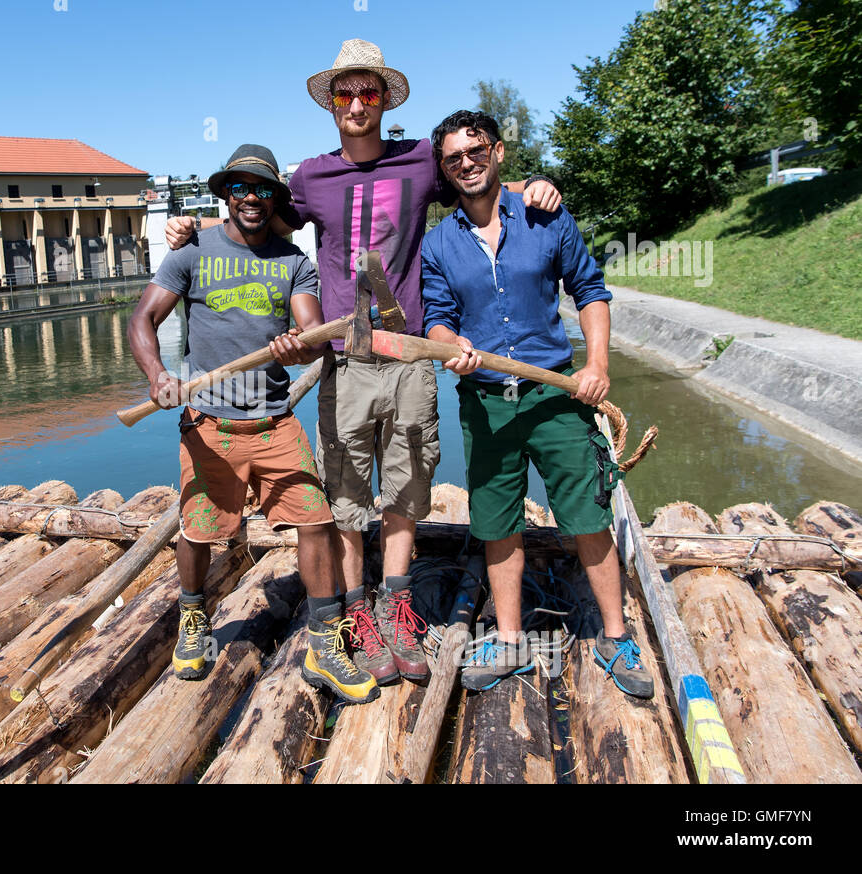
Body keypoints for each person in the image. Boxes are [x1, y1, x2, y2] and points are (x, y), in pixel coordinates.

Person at [167, 40, 564, 686]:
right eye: (345, 94)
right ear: (331, 105)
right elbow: (258, 226)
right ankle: (356, 611)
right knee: (348, 494)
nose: (356, 104)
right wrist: (193, 230)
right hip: (344, 361)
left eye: (368, 93)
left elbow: (477, 180)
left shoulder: (418, 163)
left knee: (407, 485)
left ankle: (398, 605)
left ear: (385, 101)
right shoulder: (309, 179)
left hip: (407, 355)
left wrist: (531, 188)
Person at [128, 143, 379, 704]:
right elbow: (143, 317)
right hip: (209, 423)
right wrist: (156, 374)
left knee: (316, 521)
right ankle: (194, 620)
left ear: (275, 200)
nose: (251, 198)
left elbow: (311, 330)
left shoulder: (295, 262)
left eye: (263, 190)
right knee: (197, 529)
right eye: (241, 187)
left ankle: (323, 641)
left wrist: (299, 348)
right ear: (225, 194)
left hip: (274, 423)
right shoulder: (191, 252)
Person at [421, 110, 653, 698]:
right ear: (444, 171)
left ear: (498, 152)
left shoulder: (546, 216)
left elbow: (591, 291)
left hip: (556, 394)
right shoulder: (438, 244)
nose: (467, 163)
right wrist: (452, 347)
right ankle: (509, 638)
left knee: (589, 516)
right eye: (454, 158)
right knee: (497, 523)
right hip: (486, 402)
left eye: (476, 151)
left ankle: (615, 636)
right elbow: (436, 320)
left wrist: (596, 366)